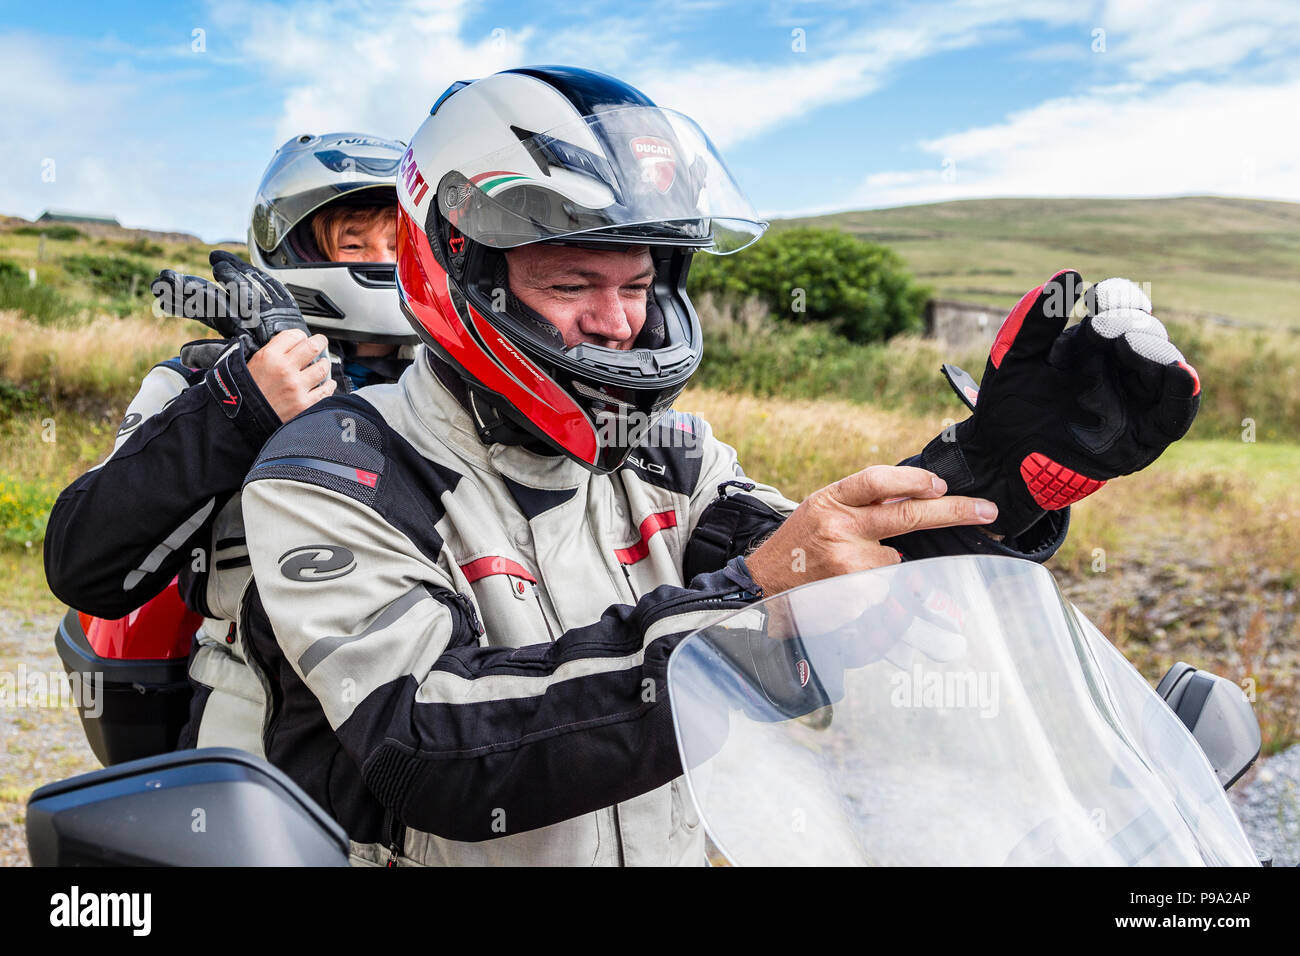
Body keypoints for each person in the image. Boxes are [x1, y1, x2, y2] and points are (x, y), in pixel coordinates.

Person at [235, 66, 1200, 865]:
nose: (617, 323)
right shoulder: (333, 473)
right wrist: (747, 601)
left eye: (640, 286)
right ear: (458, 265)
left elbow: (847, 567)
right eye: (572, 283)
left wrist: (1005, 475)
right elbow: (428, 746)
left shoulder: (672, 455)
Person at [43, 132, 419, 757]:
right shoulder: (204, 381)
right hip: (259, 707)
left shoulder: (456, 383)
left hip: (435, 700)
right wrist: (235, 410)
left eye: (396, 241)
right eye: (354, 242)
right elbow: (85, 560)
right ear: (291, 246)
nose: (378, 258)